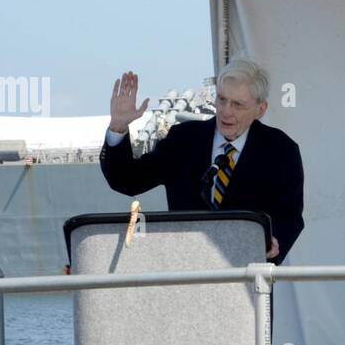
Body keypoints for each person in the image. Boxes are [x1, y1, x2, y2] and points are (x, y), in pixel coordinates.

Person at [100, 59, 304, 264]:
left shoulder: (281, 151)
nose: (226, 111)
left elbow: (290, 216)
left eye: (238, 104)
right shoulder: (183, 140)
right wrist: (118, 127)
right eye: (222, 99)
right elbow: (126, 180)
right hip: (187, 272)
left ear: (261, 109)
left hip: (247, 275)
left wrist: (275, 240)